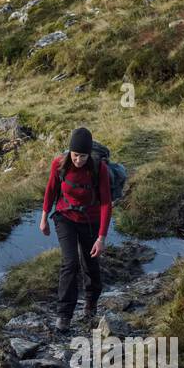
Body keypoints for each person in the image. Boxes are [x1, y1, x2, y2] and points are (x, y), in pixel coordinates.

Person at [39, 126, 111, 331]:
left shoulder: (99, 169)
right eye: (76, 155)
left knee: (90, 264)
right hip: (65, 217)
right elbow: (51, 189)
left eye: (83, 156)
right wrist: (44, 218)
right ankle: (64, 316)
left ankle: (90, 304)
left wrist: (101, 238)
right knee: (70, 263)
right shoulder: (59, 164)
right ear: (70, 152)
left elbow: (106, 203)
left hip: (90, 219)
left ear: (90, 154)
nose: (79, 160)